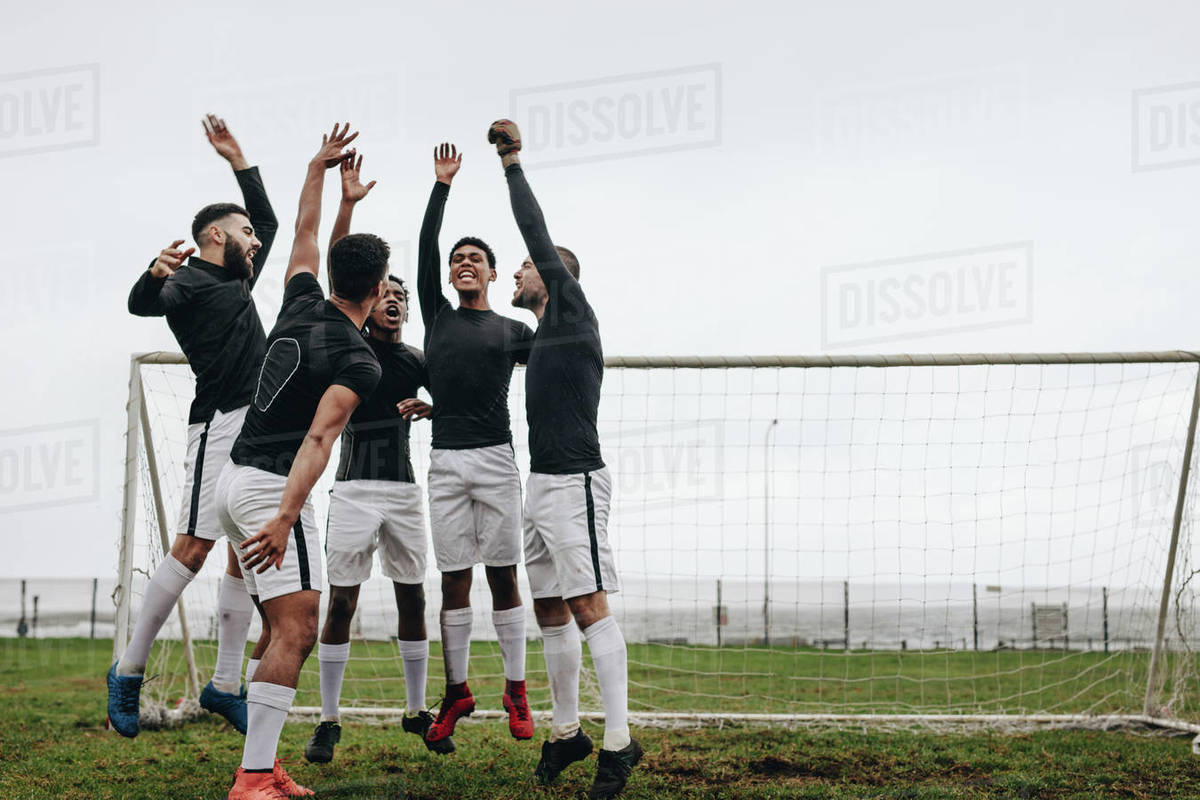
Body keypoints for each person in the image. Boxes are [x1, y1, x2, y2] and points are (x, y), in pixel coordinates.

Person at [217, 124, 384, 800]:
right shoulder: (359, 361)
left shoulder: (298, 298)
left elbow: (307, 233)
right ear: (378, 288)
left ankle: (261, 763)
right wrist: (287, 517)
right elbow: (319, 442)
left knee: (284, 626)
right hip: (268, 491)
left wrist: (321, 171)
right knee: (298, 626)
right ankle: (254, 776)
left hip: (234, 480)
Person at [489, 118, 641, 800]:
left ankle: (619, 742)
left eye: (526, 268)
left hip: (576, 479)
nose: (518, 272)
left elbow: (533, 234)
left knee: (586, 604)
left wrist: (512, 165)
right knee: (547, 608)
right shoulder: (539, 338)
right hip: (540, 485)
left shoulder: (573, 312)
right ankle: (568, 731)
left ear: (554, 277)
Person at [111, 114, 277, 738]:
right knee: (195, 547)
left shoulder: (238, 275)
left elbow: (269, 222)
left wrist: (239, 160)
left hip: (258, 429)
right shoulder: (187, 283)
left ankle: (226, 683)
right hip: (218, 424)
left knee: (246, 554)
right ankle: (127, 670)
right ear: (214, 235)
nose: (254, 240)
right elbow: (139, 303)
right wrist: (154, 271)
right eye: (242, 232)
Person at [304, 155, 435, 764]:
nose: (394, 301)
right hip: (353, 490)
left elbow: (461, 400)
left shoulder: (416, 360)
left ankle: (415, 710)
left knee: (414, 599)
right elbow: (338, 274)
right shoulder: (352, 345)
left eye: (403, 298)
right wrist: (347, 203)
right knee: (344, 602)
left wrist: (433, 408)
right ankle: (328, 719)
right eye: (387, 291)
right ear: (373, 296)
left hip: (404, 492)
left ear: (406, 310)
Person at [416, 142, 536, 754]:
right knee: (454, 581)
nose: (465, 264)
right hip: (443, 462)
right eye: (459, 259)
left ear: (491, 274)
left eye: (476, 259)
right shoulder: (436, 317)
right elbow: (425, 245)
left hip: (495, 459)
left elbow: (549, 378)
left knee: (504, 576)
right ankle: (457, 690)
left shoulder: (515, 332)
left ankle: (517, 689)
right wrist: (442, 186)